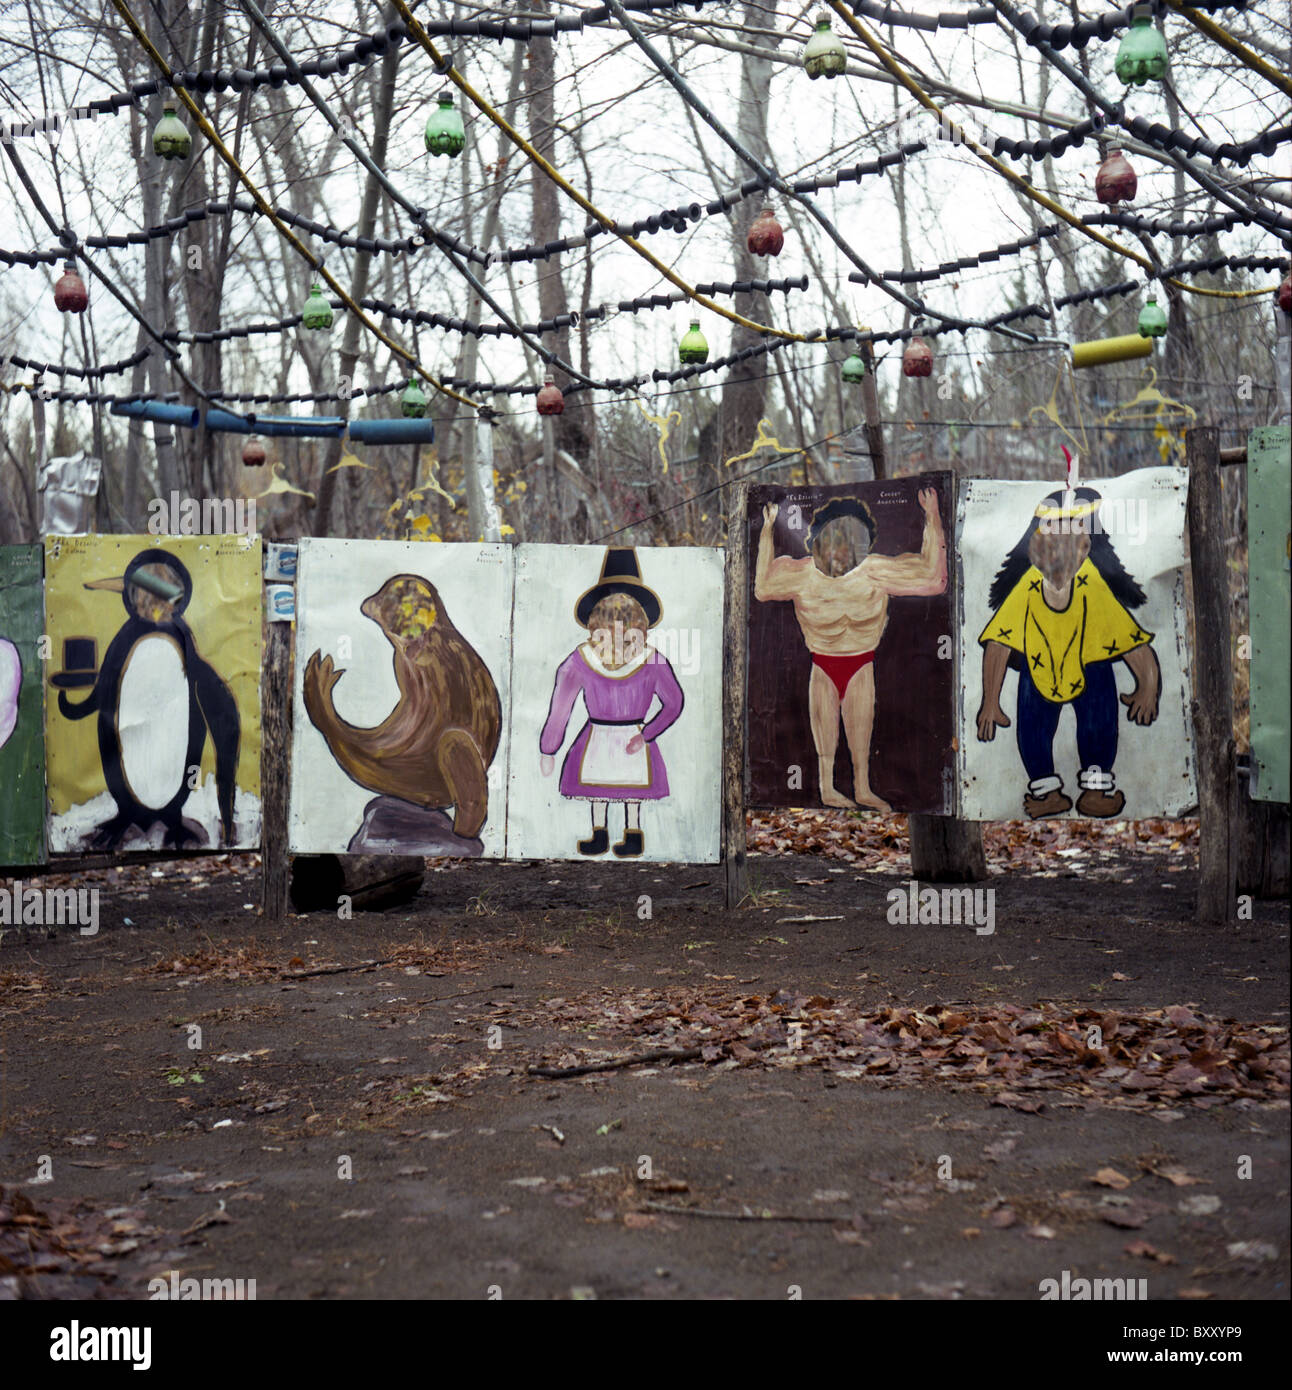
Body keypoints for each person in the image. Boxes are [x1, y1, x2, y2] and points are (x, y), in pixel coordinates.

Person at [755, 487, 946, 810]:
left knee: (860, 742)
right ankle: (827, 788)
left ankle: (862, 788)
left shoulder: (874, 571)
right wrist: (767, 531)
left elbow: (933, 578)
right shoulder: (801, 574)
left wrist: (932, 517)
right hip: (823, 662)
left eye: (849, 540)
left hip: (860, 662)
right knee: (825, 742)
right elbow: (762, 588)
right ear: (816, 540)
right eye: (832, 539)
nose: (839, 549)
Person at [975, 485, 1160, 818]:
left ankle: (1096, 786)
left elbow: (1129, 637)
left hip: (1088, 666)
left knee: (1099, 716)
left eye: (1074, 530)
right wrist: (990, 701)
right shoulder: (1028, 586)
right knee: (1032, 725)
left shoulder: (1092, 583)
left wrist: (1147, 686)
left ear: (1086, 545)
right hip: (1040, 666)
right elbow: (1000, 641)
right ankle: (1045, 790)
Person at [540, 548, 684, 857]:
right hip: (602, 734)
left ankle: (631, 834)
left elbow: (674, 703)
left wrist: (645, 735)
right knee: (598, 784)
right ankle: (601, 834)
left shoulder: (651, 661)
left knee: (627, 790)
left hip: (632, 734)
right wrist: (548, 747)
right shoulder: (581, 660)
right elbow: (560, 708)